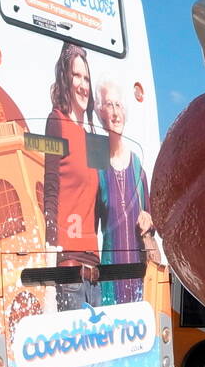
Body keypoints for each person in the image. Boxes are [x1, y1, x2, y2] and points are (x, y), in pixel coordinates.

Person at [42, 43, 101, 310]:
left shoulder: (93, 136)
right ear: (65, 79)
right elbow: (51, 184)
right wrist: (50, 244)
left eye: (86, 78)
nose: (82, 84)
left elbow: (105, 200)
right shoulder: (55, 121)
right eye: (76, 76)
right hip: (69, 266)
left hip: (96, 268)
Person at [96, 81, 162, 304]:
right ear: (100, 113)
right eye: (108, 105)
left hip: (139, 278)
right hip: (109, 282)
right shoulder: (98, 169)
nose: (115, 112)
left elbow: (152, 222)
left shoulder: (138, 168)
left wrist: (149, 223)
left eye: (118, 105)